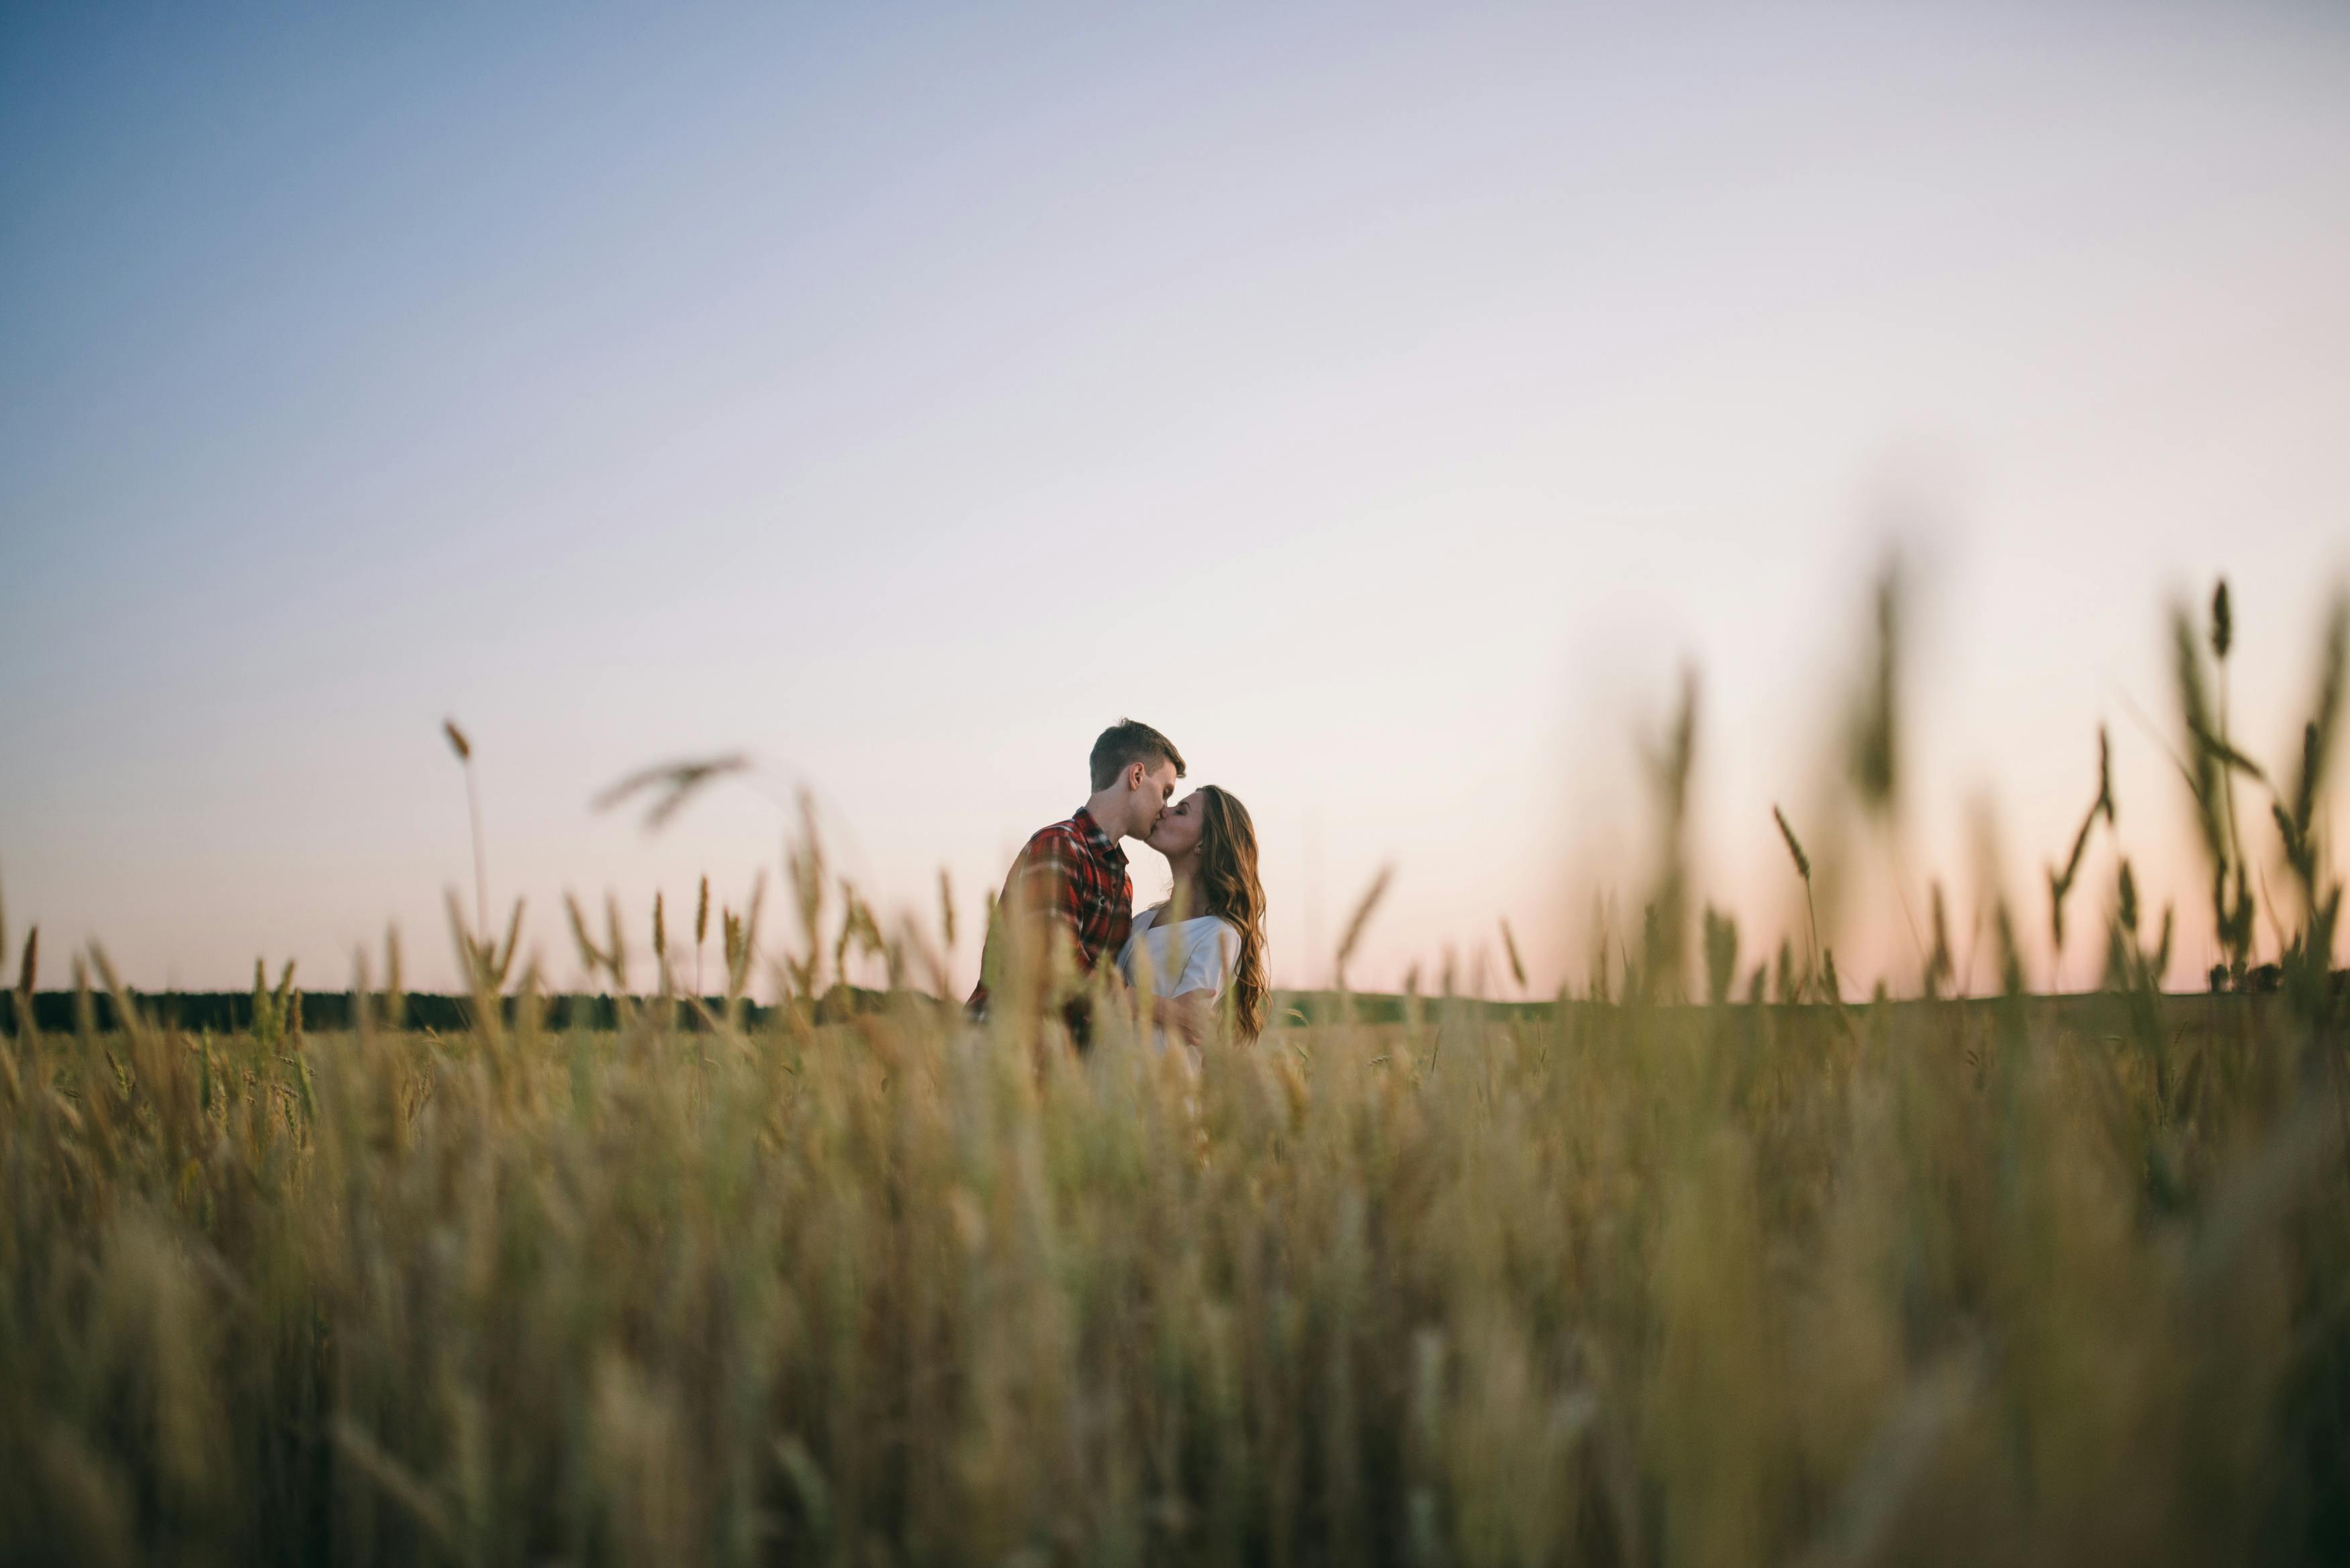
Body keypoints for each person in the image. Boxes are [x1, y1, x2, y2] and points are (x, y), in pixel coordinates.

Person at [968, 719, 1184, 1045]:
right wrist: (1164, 1011)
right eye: (1165, 792)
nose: (1165, 809)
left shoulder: (1123, 882)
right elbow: (1058, 968)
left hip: (1061, 1068)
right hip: (1003, 1052)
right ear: (1137, 776)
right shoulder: (1059, 844)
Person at [1118, 784, 1268, 1061]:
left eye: (1181, 811)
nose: (1164, 810)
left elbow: (1187, 1024)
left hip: (1160, 1094)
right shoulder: (1141, 921)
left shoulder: (1219, 935)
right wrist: (1164, 1010)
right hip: (1107, 1089)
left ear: (1205, 843)